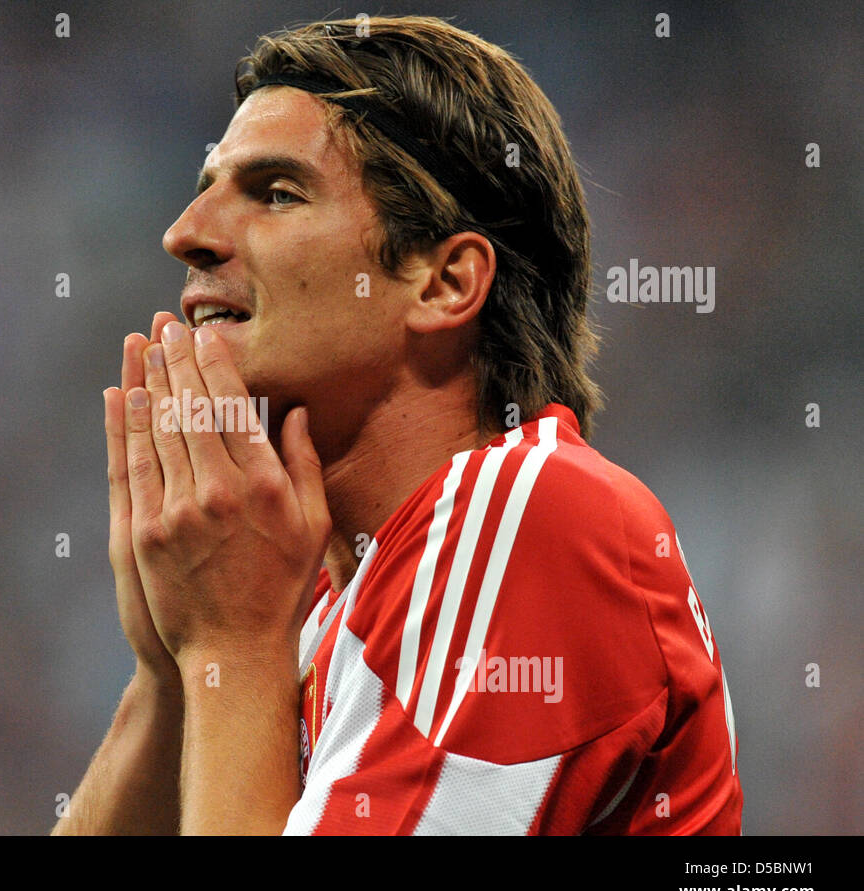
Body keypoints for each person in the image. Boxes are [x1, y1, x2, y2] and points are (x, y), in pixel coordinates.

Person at [52, 14, 742, 835]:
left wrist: (228, 651)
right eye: (206, 188)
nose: (185, 236)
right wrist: (170, 672)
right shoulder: (312, 602)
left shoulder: (531, 514)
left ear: (445, 283)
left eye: (276, 193)